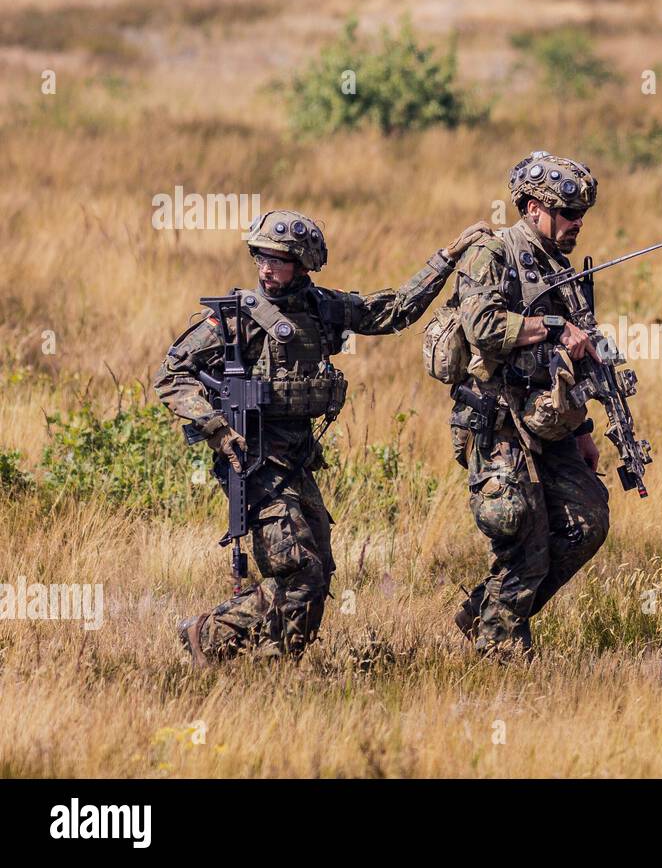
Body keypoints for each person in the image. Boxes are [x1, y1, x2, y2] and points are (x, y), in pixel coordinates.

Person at [156, 209, 477, 665]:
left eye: (279, 260)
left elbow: (392, 311)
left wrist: (447, 257)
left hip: (297, 462)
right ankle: (206, 636)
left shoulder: (323, 309)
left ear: (303, 264)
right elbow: (172, 374)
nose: (267, 269)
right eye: (261, 258)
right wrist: (216, 427)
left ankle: (276, 665)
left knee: (318, 573)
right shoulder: (235, 319)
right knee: (298, 571)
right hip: (254, 461)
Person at [450, 152, 611, 660]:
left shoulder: (560, 269)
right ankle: (502, 651)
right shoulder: (493, 256)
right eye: (569, 213)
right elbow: (484, 328)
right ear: (534, 206)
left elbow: (572, 361)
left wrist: (583, 428)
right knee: (522, 527)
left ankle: (487, 609)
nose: (577, 223)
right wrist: (557, 327)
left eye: (582, 214)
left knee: (587, 521)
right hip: (496, 418)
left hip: (552, 418)